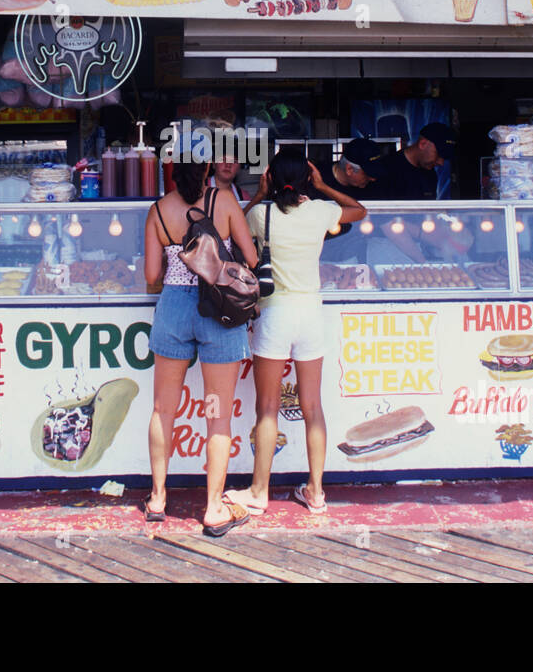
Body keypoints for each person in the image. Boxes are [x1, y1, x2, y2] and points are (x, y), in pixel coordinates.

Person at [227, 149, 366, 516]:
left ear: (270, 177)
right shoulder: (320, 211)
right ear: (308, 178)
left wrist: (258, 195)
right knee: (313, 408)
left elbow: (231, 230)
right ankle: (316, 492)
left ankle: (259, 491)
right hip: (310, 314)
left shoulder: (261, 213)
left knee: (268, 408)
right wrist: (324, 188)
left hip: (275, 314)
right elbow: (359, 210)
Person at [143, 155, 259, 536]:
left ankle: (158, 498)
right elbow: (253, 258)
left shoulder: (158, 210)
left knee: (163, 409)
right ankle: (213, 508)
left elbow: (151, 275)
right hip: (218, 308)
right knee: (218, 413)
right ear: (207, 170)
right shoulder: (223, 201)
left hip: (174, 306)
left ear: (172, 173)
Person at [367, 122, 458, 265]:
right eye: (439, 155)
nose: (441, 162)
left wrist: (445, 239)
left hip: (418, 246)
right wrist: (422, 261)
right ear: (422, 144)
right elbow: (385, 222)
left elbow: (428, 214)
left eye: (444, 158)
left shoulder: (430, 175)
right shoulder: (386, 170)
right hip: (384, 248)